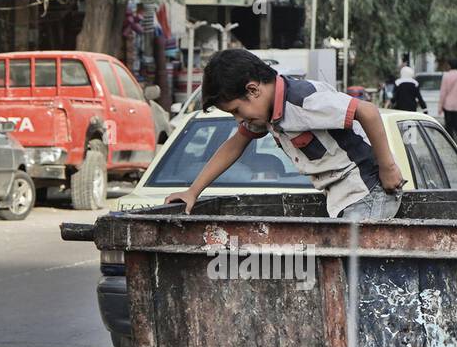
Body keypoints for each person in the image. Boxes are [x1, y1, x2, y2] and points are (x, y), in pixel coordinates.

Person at [164, 49, 406, 221]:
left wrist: (388, 167)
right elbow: (234, 145)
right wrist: (192, 192)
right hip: (345, 197)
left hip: (369, 190)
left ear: (253, 89)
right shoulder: (268, 114)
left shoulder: (302, 100)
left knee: (353, 271)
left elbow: (368, 112)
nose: (239, 119)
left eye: (237, 110)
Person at [437, 57, 457, 146]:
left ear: (450, 65)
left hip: (448, 106)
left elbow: (443, 92)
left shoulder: (446, 76)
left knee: (449, 127)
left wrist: (440, 106)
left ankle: (451, 145)